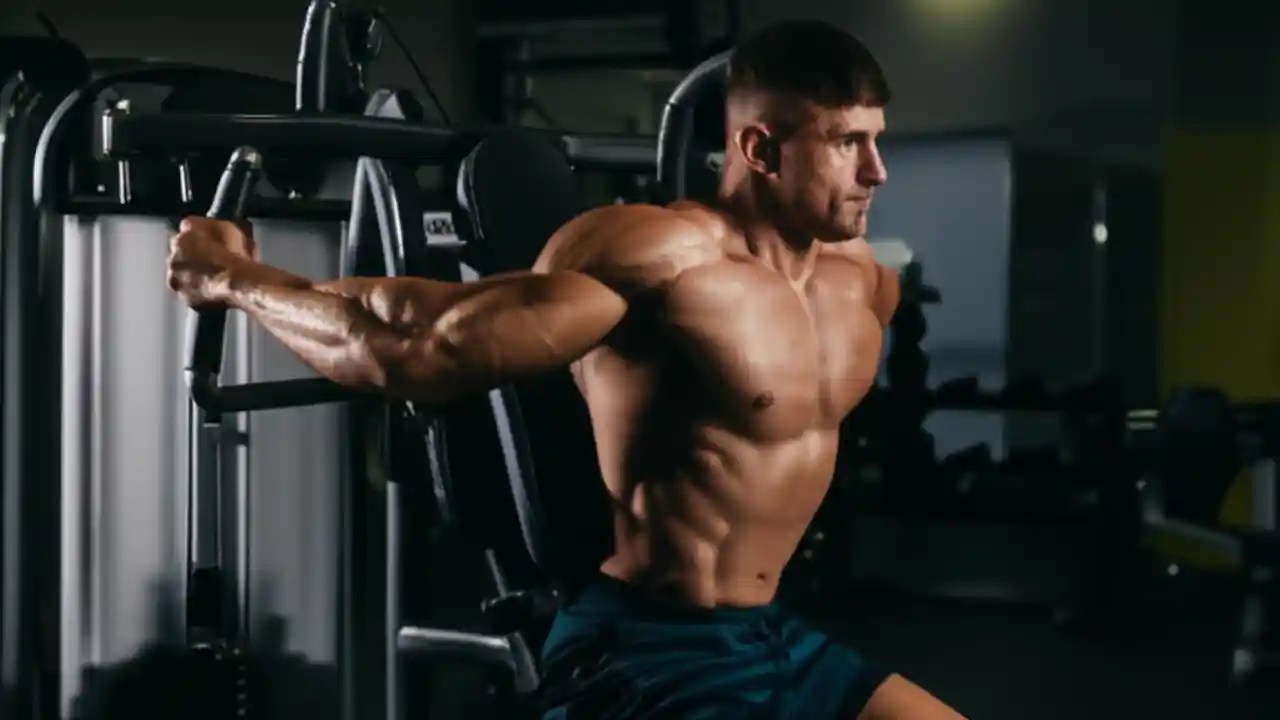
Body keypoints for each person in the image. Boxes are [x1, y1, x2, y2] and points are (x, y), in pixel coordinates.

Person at [166, 18, 966, 720]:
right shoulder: (661, 257)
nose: (876, 172)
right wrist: (234, 279)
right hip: (644, 649)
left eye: (876, 139)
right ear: (759, 148)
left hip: (768, 636)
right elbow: (423, 345)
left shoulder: (862, 281)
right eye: (845, 143)